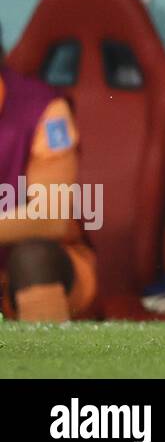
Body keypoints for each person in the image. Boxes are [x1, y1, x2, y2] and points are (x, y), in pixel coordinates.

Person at [0, 22, 96, 321]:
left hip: (37, 267)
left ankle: (50, 363)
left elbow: (50, 217)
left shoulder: (44, 108)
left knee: (33, 257)